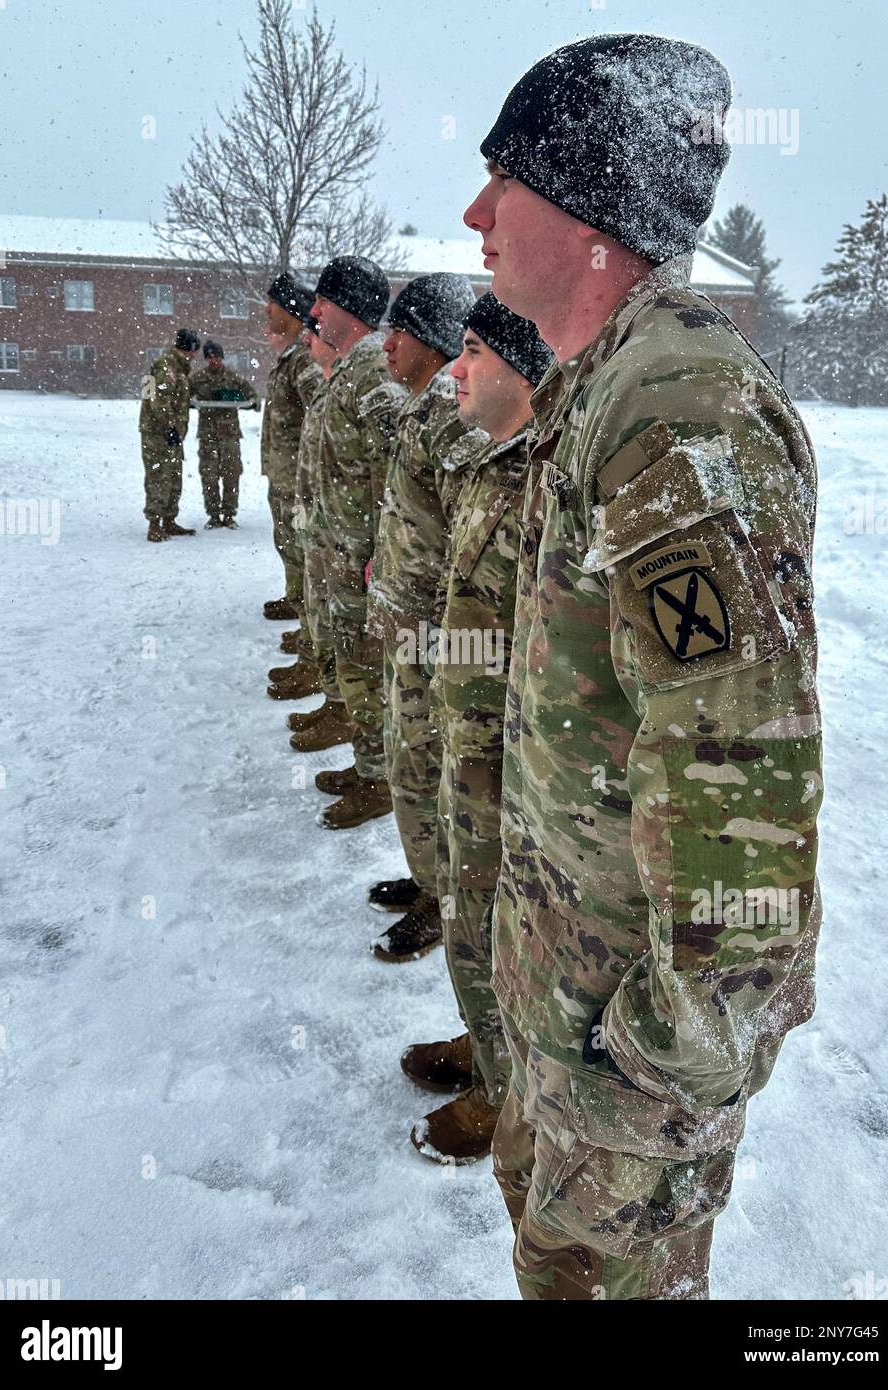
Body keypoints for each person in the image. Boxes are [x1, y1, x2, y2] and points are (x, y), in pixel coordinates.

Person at [463, 33, 824, 1300]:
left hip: (625, 1065)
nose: (475, 214)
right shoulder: (600, 388)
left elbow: (742, 777)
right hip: (567, 1019)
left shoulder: (676, 407)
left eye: (502, 177)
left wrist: (664, 1062)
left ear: (586, 209)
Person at [401, 293, 552, 1164]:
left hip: (521, 771)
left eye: (472, 353)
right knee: (472, 919)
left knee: (507, 929)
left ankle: (515, 1095)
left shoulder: (548, 479)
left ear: (521, 367)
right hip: (472, 752)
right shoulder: (497, 464)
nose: (455, 370)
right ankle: (491, 1053)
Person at [365, 273, 487, 962]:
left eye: (401, 331)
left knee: (429, 768)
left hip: (437, 638)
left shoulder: (450, 409)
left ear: (434, 339)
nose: (389, 344)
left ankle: (445, 897)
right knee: (412, 760)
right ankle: (429, 881)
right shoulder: (428, 406)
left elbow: (472, 534)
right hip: (412, 627)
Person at [308, 257, 407, 830]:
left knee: (368, 673)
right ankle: (368, 763)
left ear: (348, 307)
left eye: (323, 300)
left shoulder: (372, 373)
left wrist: (381, 554)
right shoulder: (351, 369)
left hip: (365, 562)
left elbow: (401, 469)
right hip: (342, 557)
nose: (314, 311)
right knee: (353, 667)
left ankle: (378, 779)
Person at [284, 315, 356, 756]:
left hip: (341, 539)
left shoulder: (348, 388)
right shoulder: (328, 387)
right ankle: (334, 703)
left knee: (343, 634)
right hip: (319, 529)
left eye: (316, 328)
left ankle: (344, 714)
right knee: (321, 618)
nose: (309, 338)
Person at [260, 272, 320, 628]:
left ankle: (308, 624)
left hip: (300, 477)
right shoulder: (291, 355)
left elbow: (323, 409)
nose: (267, 310)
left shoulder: (303, 358)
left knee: (301, 546)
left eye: (273, 304)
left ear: (292, 310)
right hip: (284, 474)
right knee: (287, 541)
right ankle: (296, 600)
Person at [188, 340, 259, 529]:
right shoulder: (197, 379)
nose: (214, 361)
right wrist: (192, 402)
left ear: (222, 357)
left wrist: (243, 401)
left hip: (230, 434)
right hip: (208, 435)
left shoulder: (233, 378)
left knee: (231, 474)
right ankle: (213, 515)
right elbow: (184, 396)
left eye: (217, 356)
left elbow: (253, 397)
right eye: (210, 357)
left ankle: (229, 514)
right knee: (209, 475)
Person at [139, 328, 200, 542]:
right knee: (159, 477)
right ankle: (154, 524)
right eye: (195, 351)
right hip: (158, 434)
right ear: (189, 349)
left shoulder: (177, 368)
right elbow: (158, 401)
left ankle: (169, 521)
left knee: (173, 477)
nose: (195, 356)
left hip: (169, 433)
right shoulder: (167, 367)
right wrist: (170, 427)